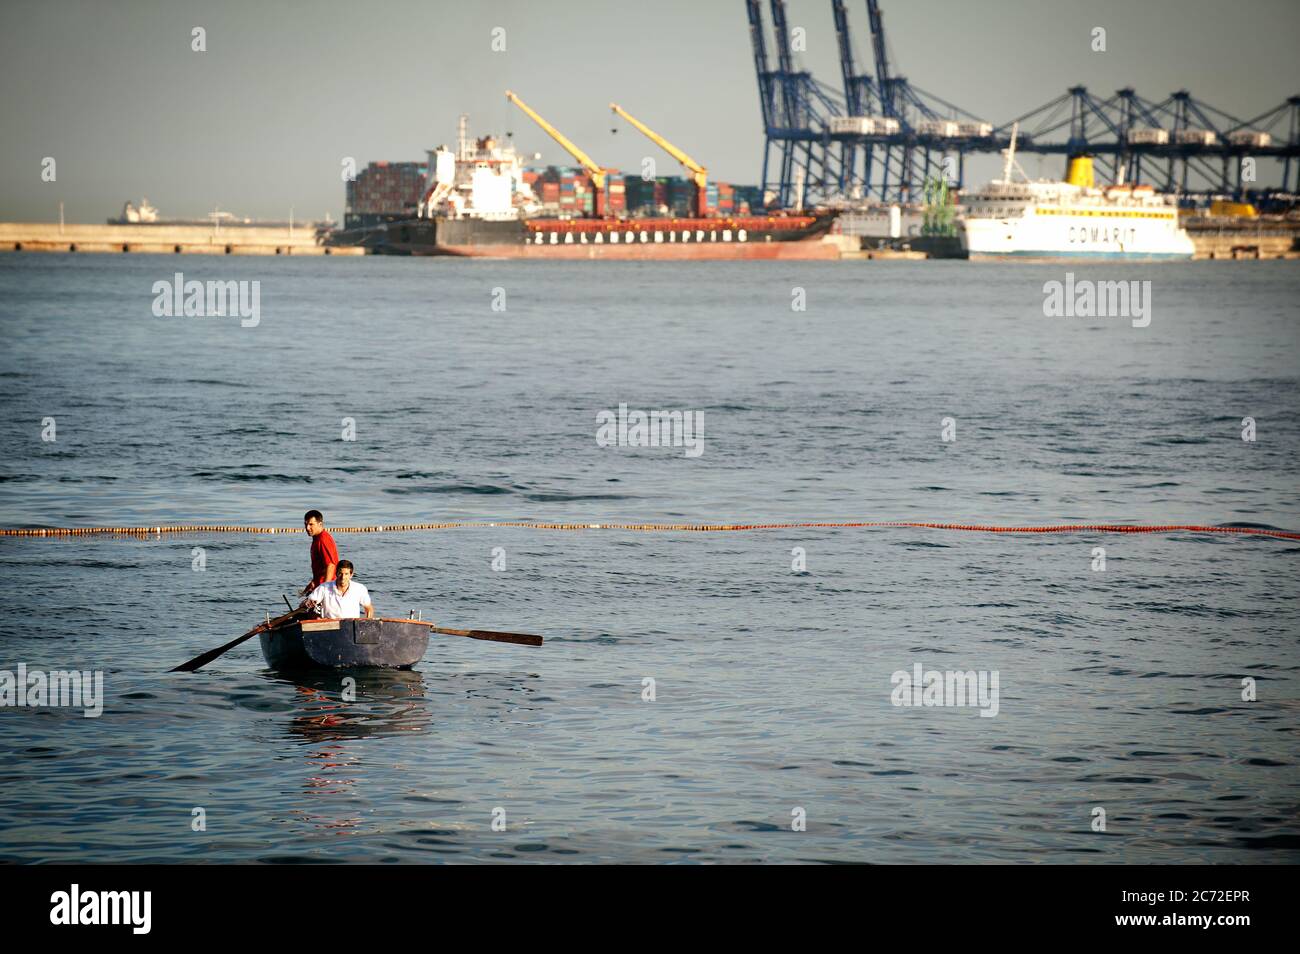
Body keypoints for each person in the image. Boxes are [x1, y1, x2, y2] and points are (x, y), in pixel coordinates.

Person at [302, 560, 375, 619]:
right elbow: (305, 603)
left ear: (351, 575)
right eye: (340, 573)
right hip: (330, 626)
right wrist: (307, 603)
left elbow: (369, 609)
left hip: (352, 626)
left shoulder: (359, 588)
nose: (343, 577)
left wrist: (367, 624)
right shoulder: (324, 588)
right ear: (336, 573)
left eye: (346, 574)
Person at [301, 510, 338, 597]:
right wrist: (312, 583)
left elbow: (331, 565)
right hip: (320, 586)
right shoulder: (316, 539)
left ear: (320, 524)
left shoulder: (323, 539)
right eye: (305, 524)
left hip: (328, 588)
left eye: (311, 524)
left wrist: (325, 590)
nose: (307, 528)